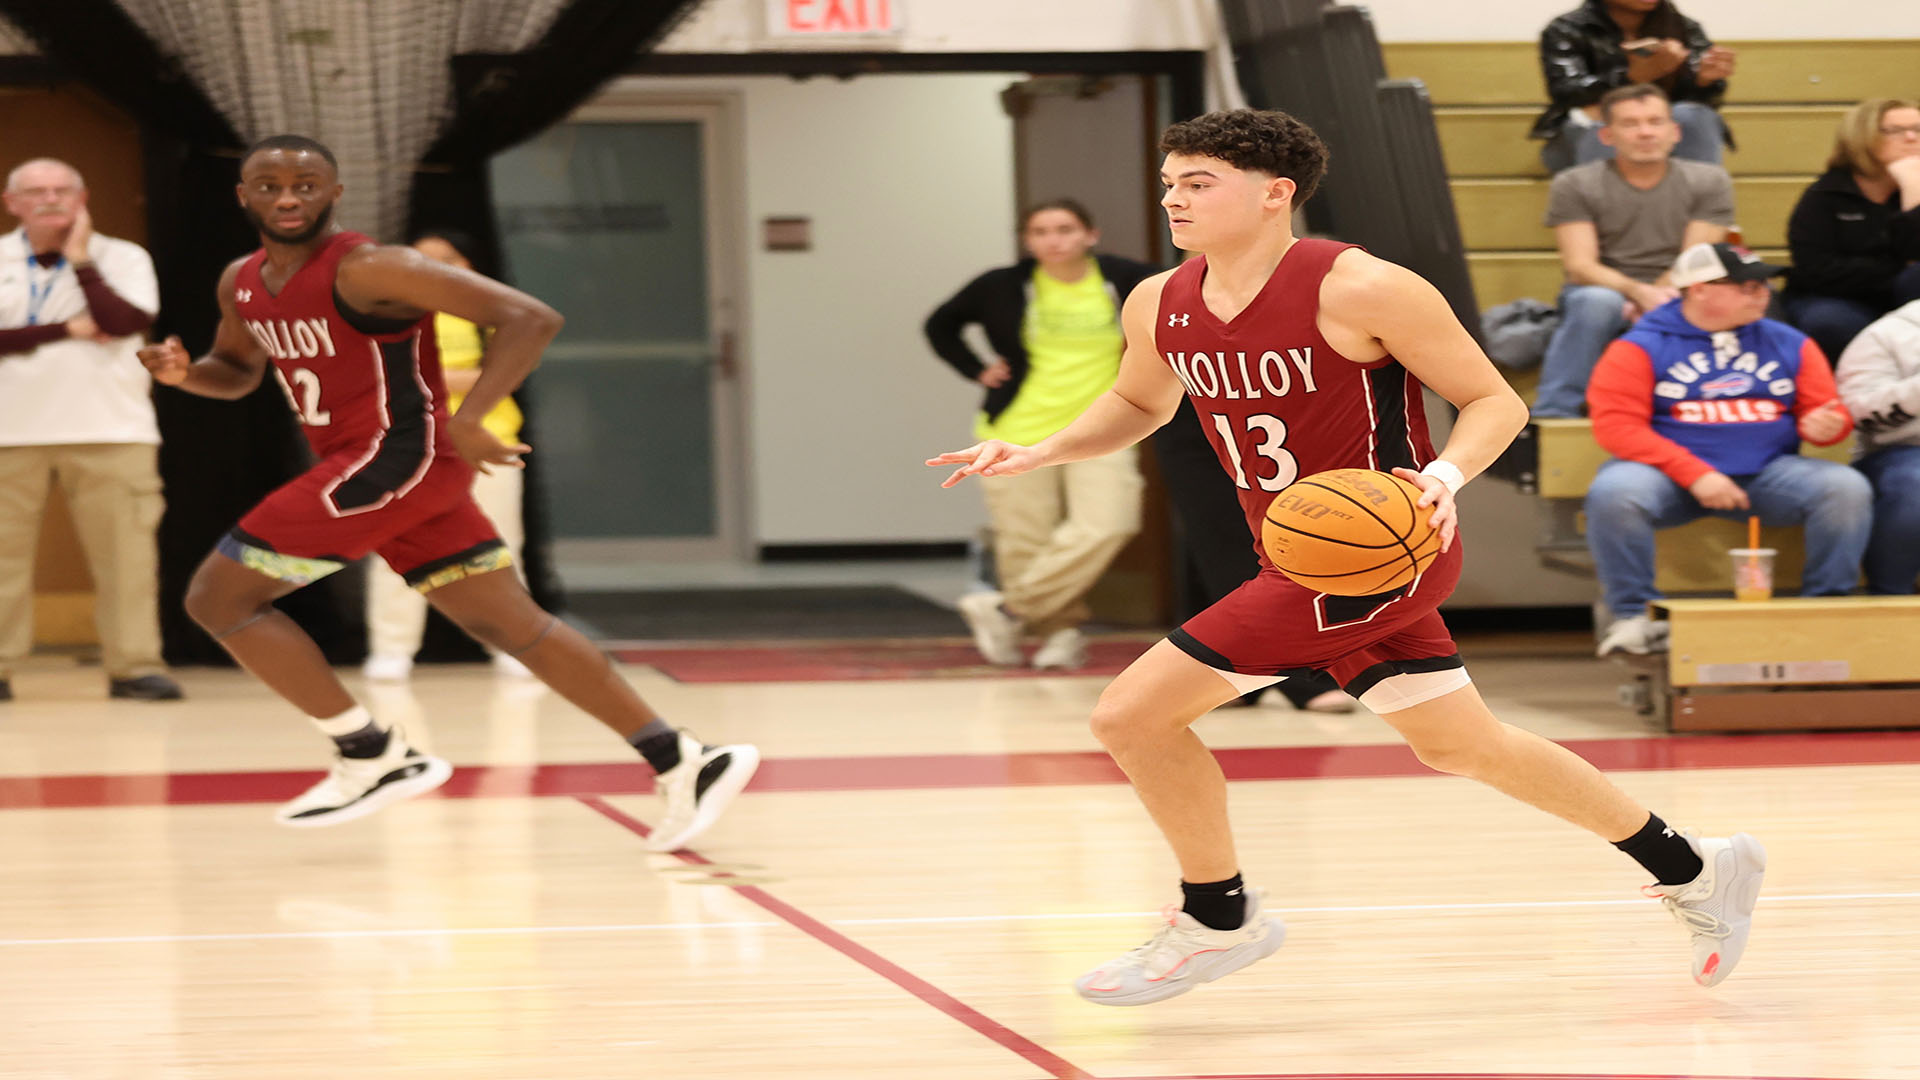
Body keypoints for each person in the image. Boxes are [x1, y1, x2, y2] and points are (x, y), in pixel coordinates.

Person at [927, 109, 1765, 1005]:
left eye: (1198, 182)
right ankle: (1694, 867)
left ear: (1275, 193)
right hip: (1297, 557)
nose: (1174, 198)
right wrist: (1041, 449)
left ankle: (1219, 919)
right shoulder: (1157, 301)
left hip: (1380, 552)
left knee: (1131, 717)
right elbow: (1140, 406)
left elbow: (1493, 402)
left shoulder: (1362, 286)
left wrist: (1439, 478)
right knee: (1463, 745)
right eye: (1170, 182)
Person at [136, 135, 757, 848]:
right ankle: (681, 759)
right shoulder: (241, 281)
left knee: (218, 597)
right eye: (270, 185)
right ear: (242, 196)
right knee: (509, 624)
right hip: (385, 470)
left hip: (391, 461)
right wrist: (186, 374)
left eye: (306, 184)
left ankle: (369, 754)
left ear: (334, 195)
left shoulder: (376, 268)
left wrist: (468, 417)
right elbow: (237, 370)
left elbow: (531, 318)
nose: (287, 197)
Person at [1585, 242, 1867, 655]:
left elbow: (1829, 413)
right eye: (1746, 286)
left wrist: (1828, 426)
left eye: (1764, 285)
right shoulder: (1638, 346)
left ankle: (1825, 608)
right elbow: (1617, 428)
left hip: (1768, 473)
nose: (1762, 294)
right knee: (1614, 493)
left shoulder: (1791, 342)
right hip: (1669, 477)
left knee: (1845, 489)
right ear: (1698, 288)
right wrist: (1695, 473)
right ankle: (1633, 616)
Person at [924, 200, 1153, 669]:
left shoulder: (1126, 279)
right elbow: (940, 325)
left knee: (1108, 523)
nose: (1053, 239)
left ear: (1090, 234)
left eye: (1065, 229)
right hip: (1015, 427)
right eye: (1040, 231)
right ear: (1028, 240)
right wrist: (977, 369)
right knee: (1025, 539)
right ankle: (1060, 633)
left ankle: (1006, 609)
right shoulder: (1002, 285)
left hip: (1100, 427)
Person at [0, 158, 182, 703]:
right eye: (36, 192)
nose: (50, 199)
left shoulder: (122, 257)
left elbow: (125, 320)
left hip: (112, 429)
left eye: (62, 190)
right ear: (13, 203)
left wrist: (81, 261)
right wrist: (68, 327)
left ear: (82, 199)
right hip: (9, 432)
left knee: (126, 557)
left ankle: (135, 666)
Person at [362, 228, 532, 682]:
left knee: (498, 548)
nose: (435, 269)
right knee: (397, 547)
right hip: (409, 449)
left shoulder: (494, 314)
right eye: (420, 260)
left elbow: (506, 373)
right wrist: (459, 378)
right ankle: (391, 649)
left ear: (468, 267)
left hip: (487, 443)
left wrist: (438, 378)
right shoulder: (383, 317)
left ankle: (513, 645)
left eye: (447, 258)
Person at [1532, 84, 1734, 418]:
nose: (1645, 132)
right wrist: (1637, 292)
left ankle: (1718, 411)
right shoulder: (1574, 183)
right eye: (1631, 124)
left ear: (1675, 131)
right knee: (1595, 302)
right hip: (1605, 288)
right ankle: (1554, 414)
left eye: (1656, 122)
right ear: (1607, 136)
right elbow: (1580, 266)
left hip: (1683, 284)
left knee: (1726, 296)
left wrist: (1656, 295)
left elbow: (1694, 259)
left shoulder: (1710, 181)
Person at [1154, 398, 1352, 713]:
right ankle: (1272, 670)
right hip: (1188, 392)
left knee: (1272, 528)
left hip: (1265, 392)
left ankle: (1234, 669)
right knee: (1213, 528)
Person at [1781, 98, 1920, 361]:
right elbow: (1817, 270)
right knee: (1831, 324)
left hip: (1902, 297)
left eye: (1918, 129)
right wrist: (1900, 272)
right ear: (1862, 137)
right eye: (1896, 131)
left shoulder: (1916, 188)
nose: (1911, 138)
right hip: (1836, 297)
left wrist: (1913, 188)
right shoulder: (1825, 195)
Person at [1534, 0, 1734, 173]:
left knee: (1694, 116)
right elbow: (1566, 93)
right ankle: (1605, 212)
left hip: (1663, 139)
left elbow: (1703, 102)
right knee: (1608, 123)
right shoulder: (1566, 29)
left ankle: (1702, 211)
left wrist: (1704, 81)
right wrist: (1630, 77)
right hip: (1579, 137)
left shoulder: (1684, 28)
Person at [1835, 299, 1920, 594]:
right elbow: (1857, 414)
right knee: (1915, 485)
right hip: (1901, 451)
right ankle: (1890, 593)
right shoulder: (1887, 335)